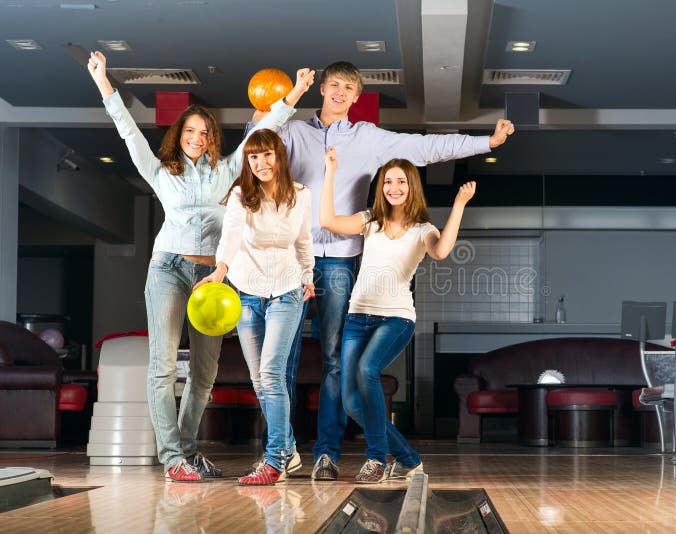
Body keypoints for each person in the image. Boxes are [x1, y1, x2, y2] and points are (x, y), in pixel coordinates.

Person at [249, 61, 514, 480]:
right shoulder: (293, 130)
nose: (339, 92)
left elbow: (426, 149)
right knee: (279, 363)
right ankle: (280, 451)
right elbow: (253, 147)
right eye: (333, 84)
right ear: (321, 88)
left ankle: (327, 453)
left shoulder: (368, 138)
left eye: (348, 88)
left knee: (335, 362)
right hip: (289, 258)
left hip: (339, 260)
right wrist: (286, 100)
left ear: (357, 97)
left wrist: (486, 142)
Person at [87, 50, 314, 482]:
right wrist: (103, 81)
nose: (197, 137)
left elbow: (264, 132)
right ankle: (173, 458)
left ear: (212, 138)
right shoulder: (159, 171)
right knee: (164, 367)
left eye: (205, 132)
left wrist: (297, 93)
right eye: (190, 130)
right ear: (180, 134)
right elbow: (127, 130)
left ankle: (188, 452)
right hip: (168, 269)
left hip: (213, 277)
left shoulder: (229, 170)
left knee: (206, 373)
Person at [319, 147, 475, 483]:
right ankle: (408, 459)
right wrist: (331, 170)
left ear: (411, 186)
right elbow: (327, 221)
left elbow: (442, 251)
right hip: (357, 318)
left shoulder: (423, 229)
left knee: (367, 369)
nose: (394, 187)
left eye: (401, 181)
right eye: (388, 181)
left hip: (396, 319)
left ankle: (375, 459)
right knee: (350, 403)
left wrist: (459, 206)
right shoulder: (370, 221)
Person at [194, 129, 314, 485]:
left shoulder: (301, 195)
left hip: (287, 291)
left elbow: (304, 238)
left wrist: (309, 275)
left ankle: (275, 460)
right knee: (259, 380)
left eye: (266, 155)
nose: (261, 163)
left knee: (272, 374)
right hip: (246, 291)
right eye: (253, 157)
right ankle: (289, 450)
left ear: (279, 156)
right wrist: (221, 268)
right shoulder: (240, 196)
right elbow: (230, 233)